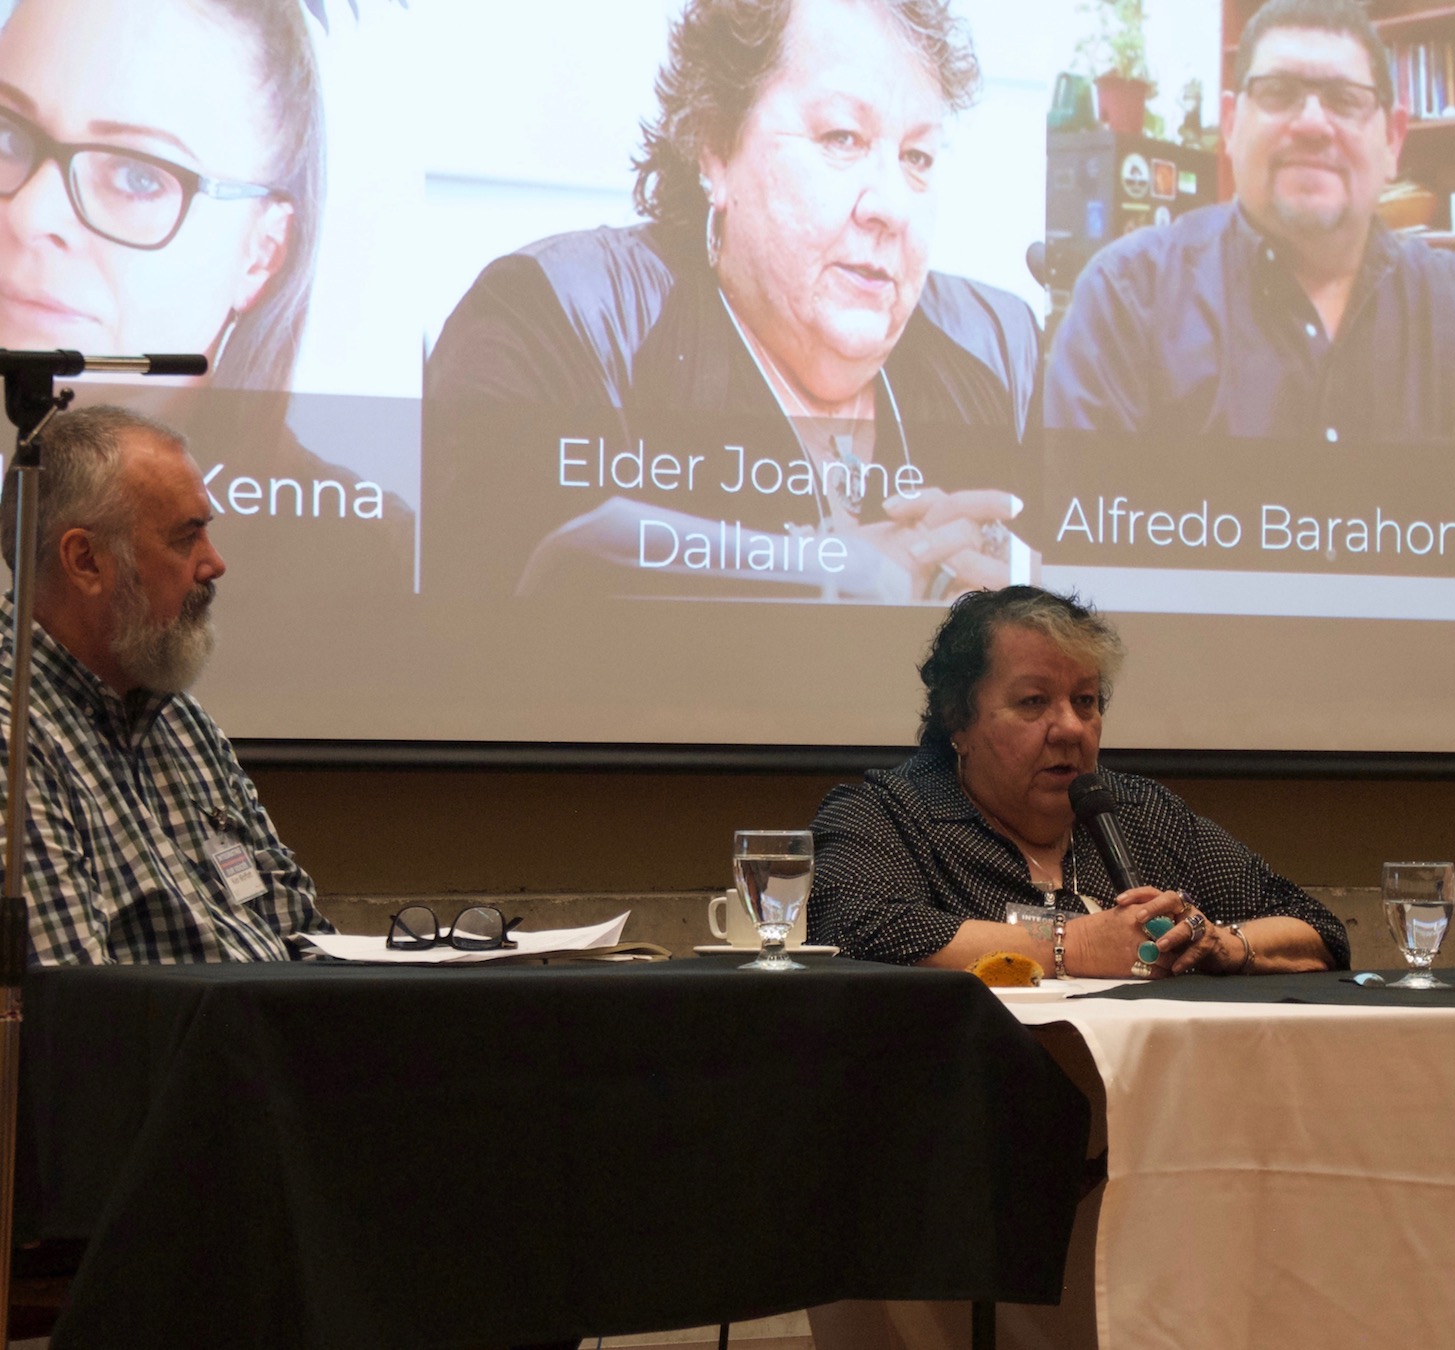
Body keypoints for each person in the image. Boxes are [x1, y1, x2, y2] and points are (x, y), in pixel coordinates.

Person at [424, 0, 1039, 603]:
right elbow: (493, 640)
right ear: (716, 147)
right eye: (842, 138)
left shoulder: (1004, 352)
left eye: (916, 157)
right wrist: (835, 574)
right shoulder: (549, 321)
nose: (892, 206)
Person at [0, 0, 413, 594]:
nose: (31, 214)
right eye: (8, 137)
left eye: (138, 177)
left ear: (263, 251)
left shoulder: (363, 559)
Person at [1044, 0, 1455, 457]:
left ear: (1392, 140)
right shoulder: (1126, 298)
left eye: (1345, 99)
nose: (1313, 124)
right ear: (1231, 125)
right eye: (1278, 92)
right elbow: (1078, 512)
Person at [806, 585, 1348, 975]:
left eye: (1085, 701)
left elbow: (1317, 929)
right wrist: (1077, 944)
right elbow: (857, 930)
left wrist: (1222, 944)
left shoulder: (1141, 812)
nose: (1069, 727)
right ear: (958, 720)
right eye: (1033, 701)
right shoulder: (888, 814)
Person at [0, 405, 333, 963]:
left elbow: (303, 934)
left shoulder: (178, 719)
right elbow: (72, 1001)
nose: (215, 563)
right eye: (186, 538)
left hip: (273, 1015)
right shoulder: (13, 734)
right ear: (86, 560)